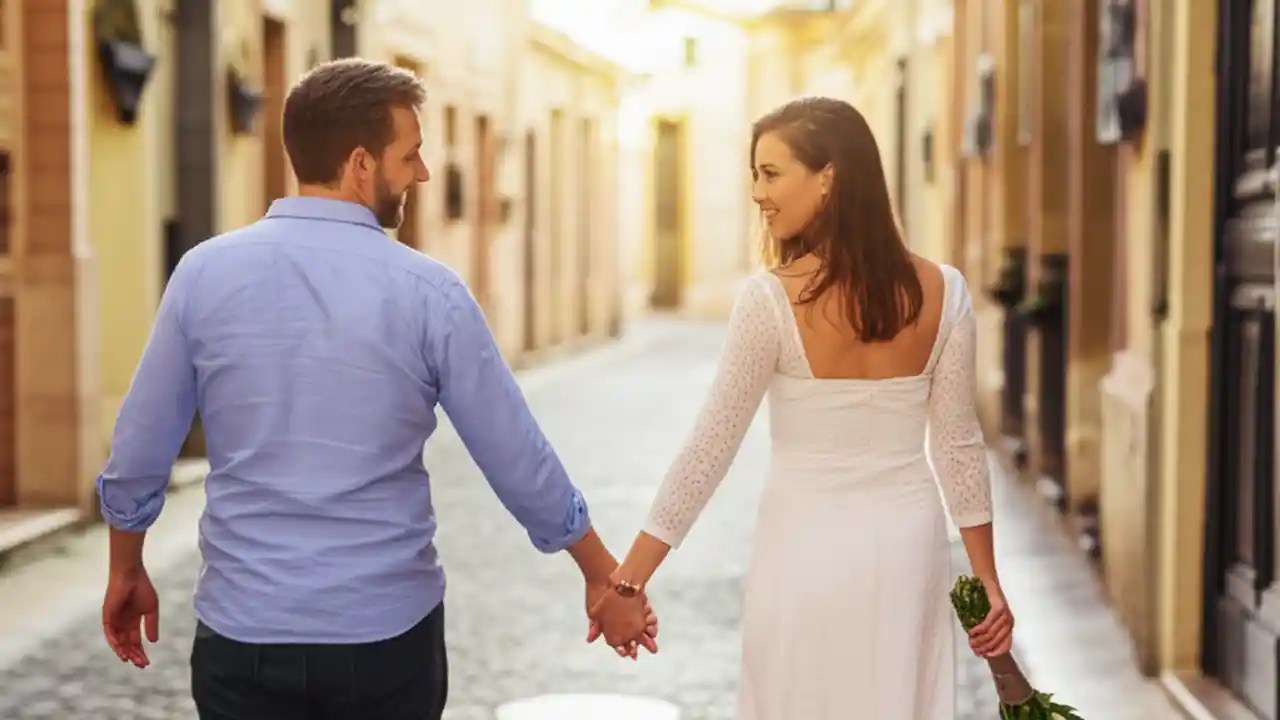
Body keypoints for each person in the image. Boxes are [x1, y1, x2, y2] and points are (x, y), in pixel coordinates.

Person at [95, 58, 655, 720]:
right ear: (361, 164)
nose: (422, 173)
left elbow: (141, 443)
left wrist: (125, 566)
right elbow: (514, 453)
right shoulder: (429, 293)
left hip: (244, 635)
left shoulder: (203, 275)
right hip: (385, 643)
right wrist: (601, 572)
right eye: (410, 155)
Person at [588, 97, 1012, 718]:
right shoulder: (944, 293)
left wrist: (628, 581)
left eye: (770, 173)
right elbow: (957, 446)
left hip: (802, 551)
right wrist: (987, 579)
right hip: (906, 550)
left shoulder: (770, 301)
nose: (757, 193)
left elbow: (710, 447)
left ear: (827, 177)